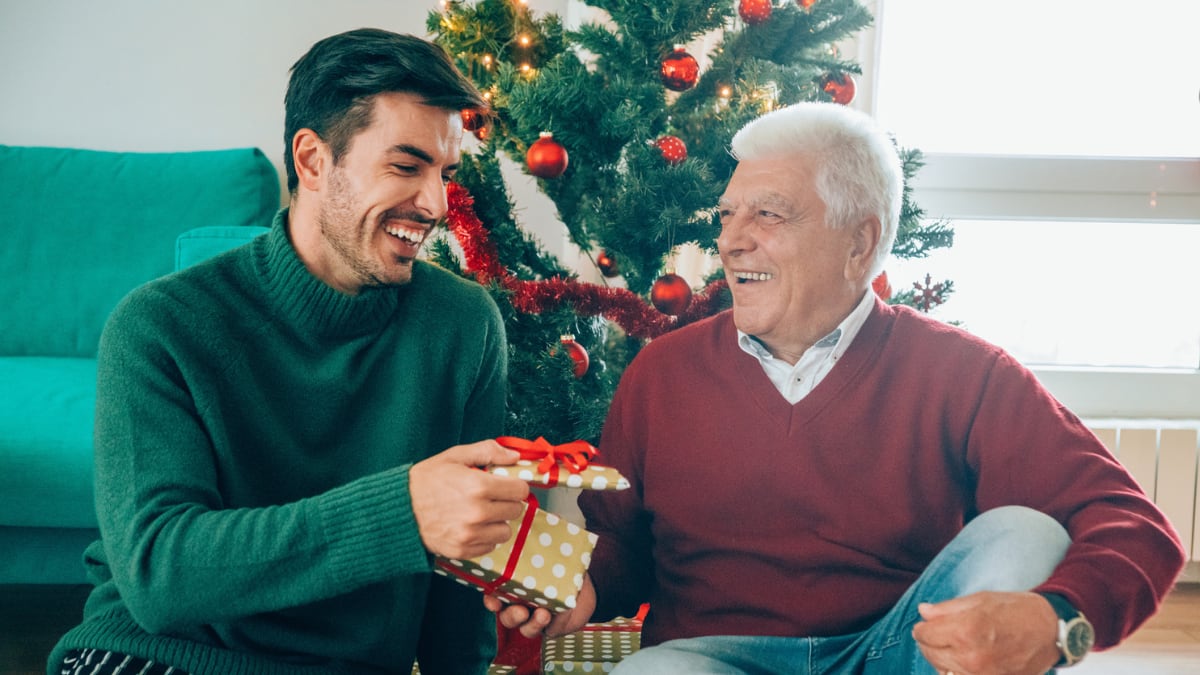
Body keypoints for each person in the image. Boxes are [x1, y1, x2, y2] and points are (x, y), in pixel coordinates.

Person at [493, 102, 1187, 674]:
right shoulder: (662, 374)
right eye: (728, 216)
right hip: (711, 656)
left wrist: (1057, 618)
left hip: (897, 652)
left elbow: (1135, 526)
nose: (731, 241)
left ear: (860, 243)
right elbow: (622, 549)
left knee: (1025, 532)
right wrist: (583, 585)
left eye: (768, 215)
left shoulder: (963, 373)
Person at [48, 28, 530, 675]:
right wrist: (402, 513)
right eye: (405, 166)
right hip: (160, 653)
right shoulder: (159, 325)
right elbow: (158, 572)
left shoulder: (463, 325)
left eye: (444, 173)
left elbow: (456, 589)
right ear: (311, 161)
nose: (435, 204)